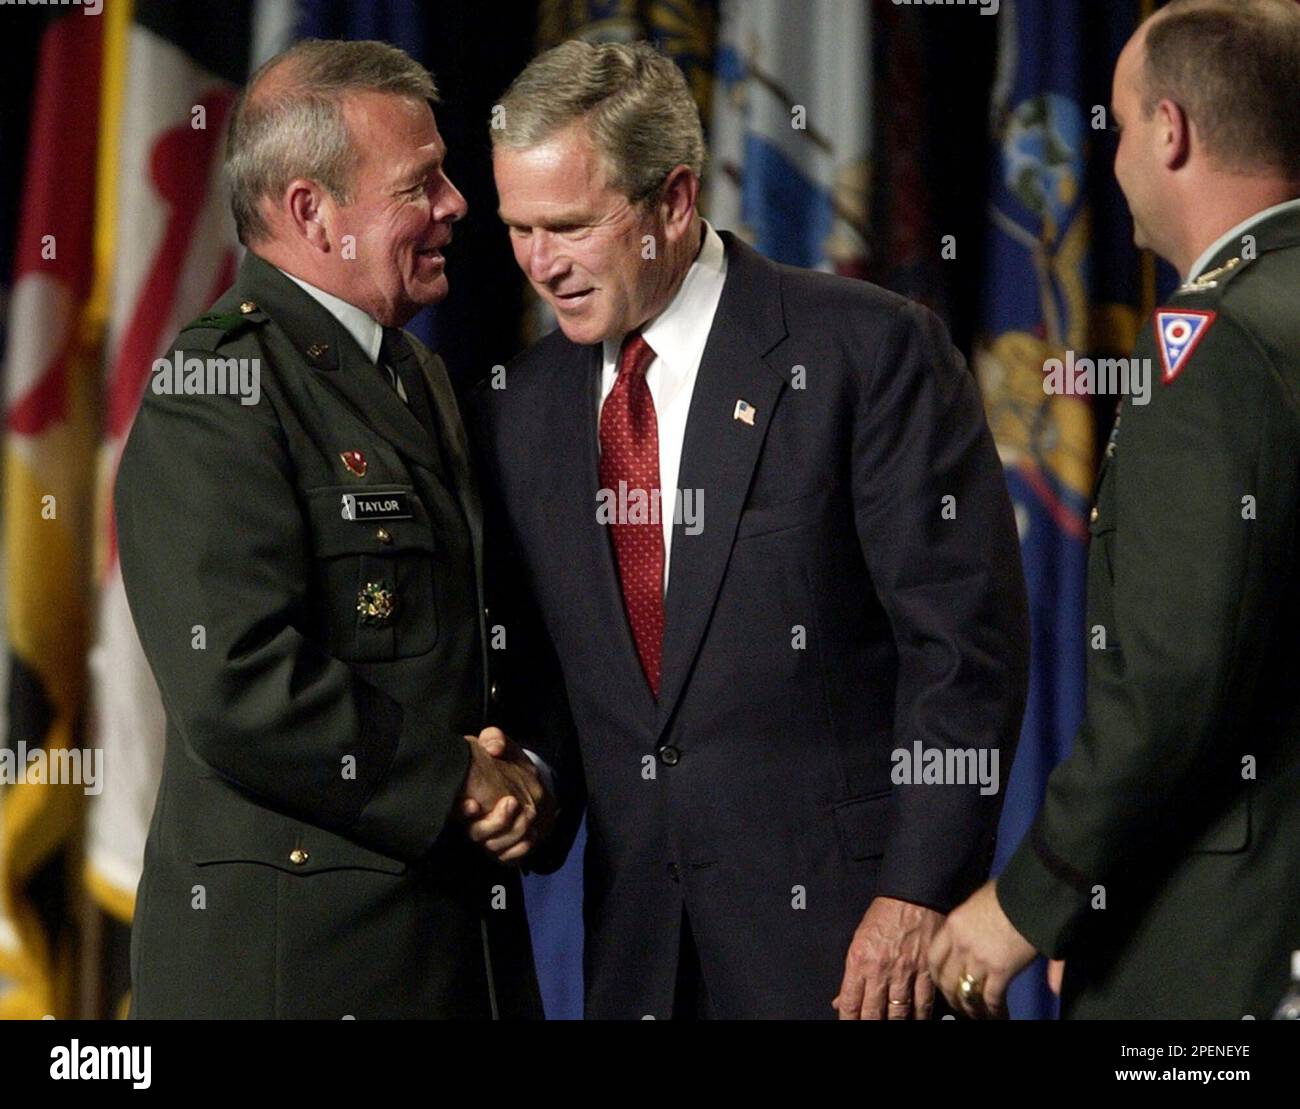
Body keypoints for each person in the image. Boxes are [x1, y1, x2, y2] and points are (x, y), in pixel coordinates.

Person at [469, 40, 1029, 1019]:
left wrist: (912, 895)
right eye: (517, 229)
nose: (539, 264)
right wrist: (534, 773)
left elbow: (961, 651)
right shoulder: (519, 406)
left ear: (675, 201)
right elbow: (552, 671)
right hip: (636, 956)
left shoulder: (866, 350)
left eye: (566, 226)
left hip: (851, 958)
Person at [115, 39, 549, 1019]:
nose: (455, 205)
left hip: (449, 950)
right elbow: (235, 676)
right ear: (311, 209)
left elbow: (465, 637)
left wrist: (524, 771)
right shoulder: (218, 387)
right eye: (420, 182)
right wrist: (456, 779)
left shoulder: (412, 372)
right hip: (300, 968)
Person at [930, 0, 1300, 1020]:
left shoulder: (1214, 341)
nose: (1117, 154)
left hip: (1222, 945)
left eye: (1121, 125)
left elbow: (1175, 675)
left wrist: (1031, 900)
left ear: (1172, 130)